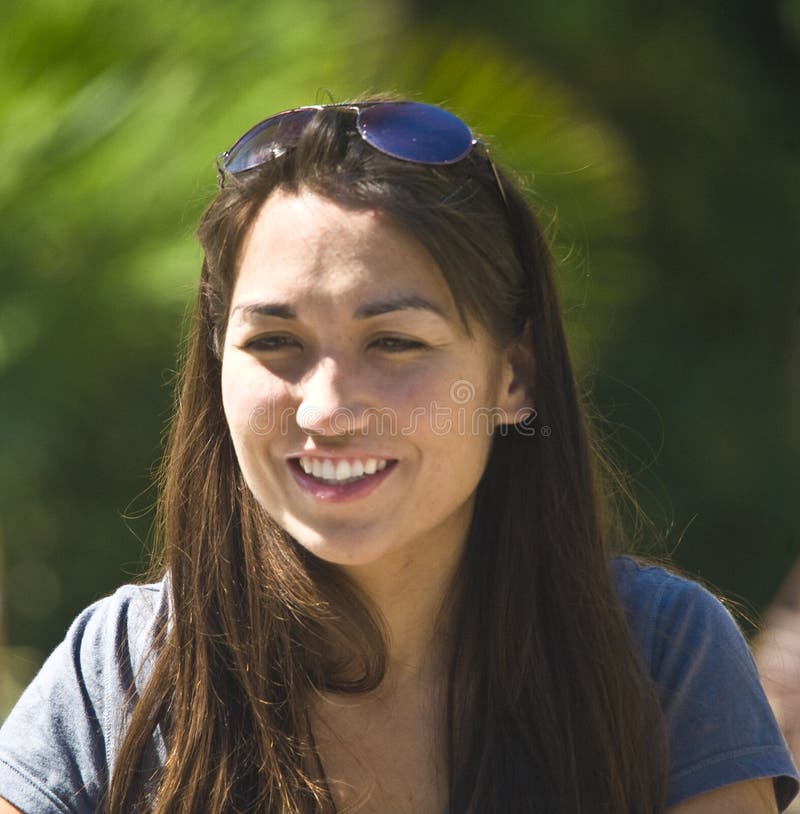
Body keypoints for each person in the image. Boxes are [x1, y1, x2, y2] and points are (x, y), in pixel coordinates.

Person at [0, 98, 796, 814]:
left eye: (394, 342)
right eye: (275, 342)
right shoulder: (122, 674)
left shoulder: (658, 657)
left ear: (514, 376)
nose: (327, 409)